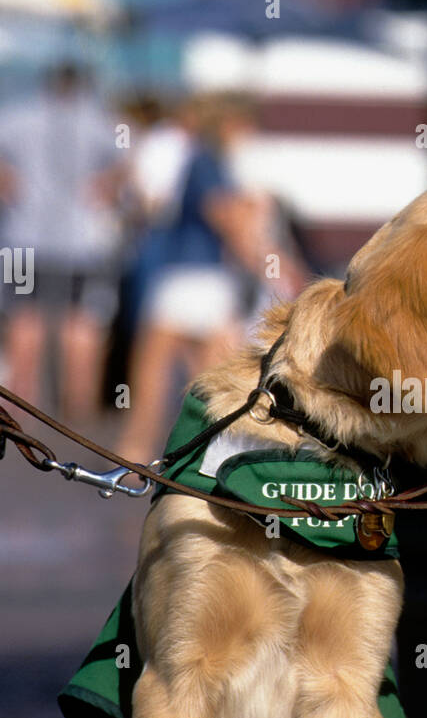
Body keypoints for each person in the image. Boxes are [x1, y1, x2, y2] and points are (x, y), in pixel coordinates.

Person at [115, 96, 309, 465]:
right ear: (228, 125)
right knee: (207, 391)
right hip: (201, 282)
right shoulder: (210, 163)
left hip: (182, 281)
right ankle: (202, 466)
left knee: (156, 383)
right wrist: (277, 268)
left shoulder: (202, 161)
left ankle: (133, 463)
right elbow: (228, 220)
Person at [0, 63, 125, 421]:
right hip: (84, 241)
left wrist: (13, 189)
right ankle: (77, 411)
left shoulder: (16, 116)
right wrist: (103, 189)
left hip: (21, 238)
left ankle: (21, 408)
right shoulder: (101, 120)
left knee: (24, 318)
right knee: (83, 321)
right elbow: (125, 166)